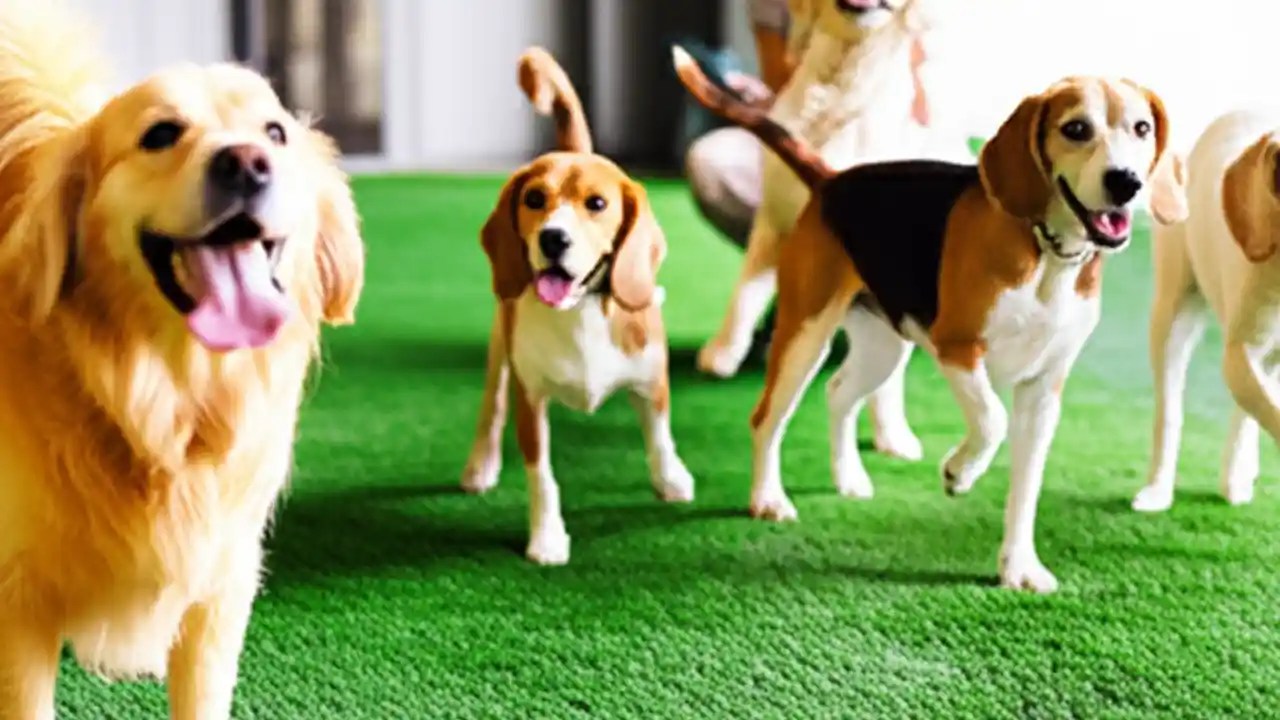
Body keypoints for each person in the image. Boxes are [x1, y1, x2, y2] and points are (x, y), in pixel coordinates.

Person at [684, 0, 794, 249]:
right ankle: (801, 270)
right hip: (808, 132)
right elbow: (779, 82)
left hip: (891, 140)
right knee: (713, 159)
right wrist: (761, 102)